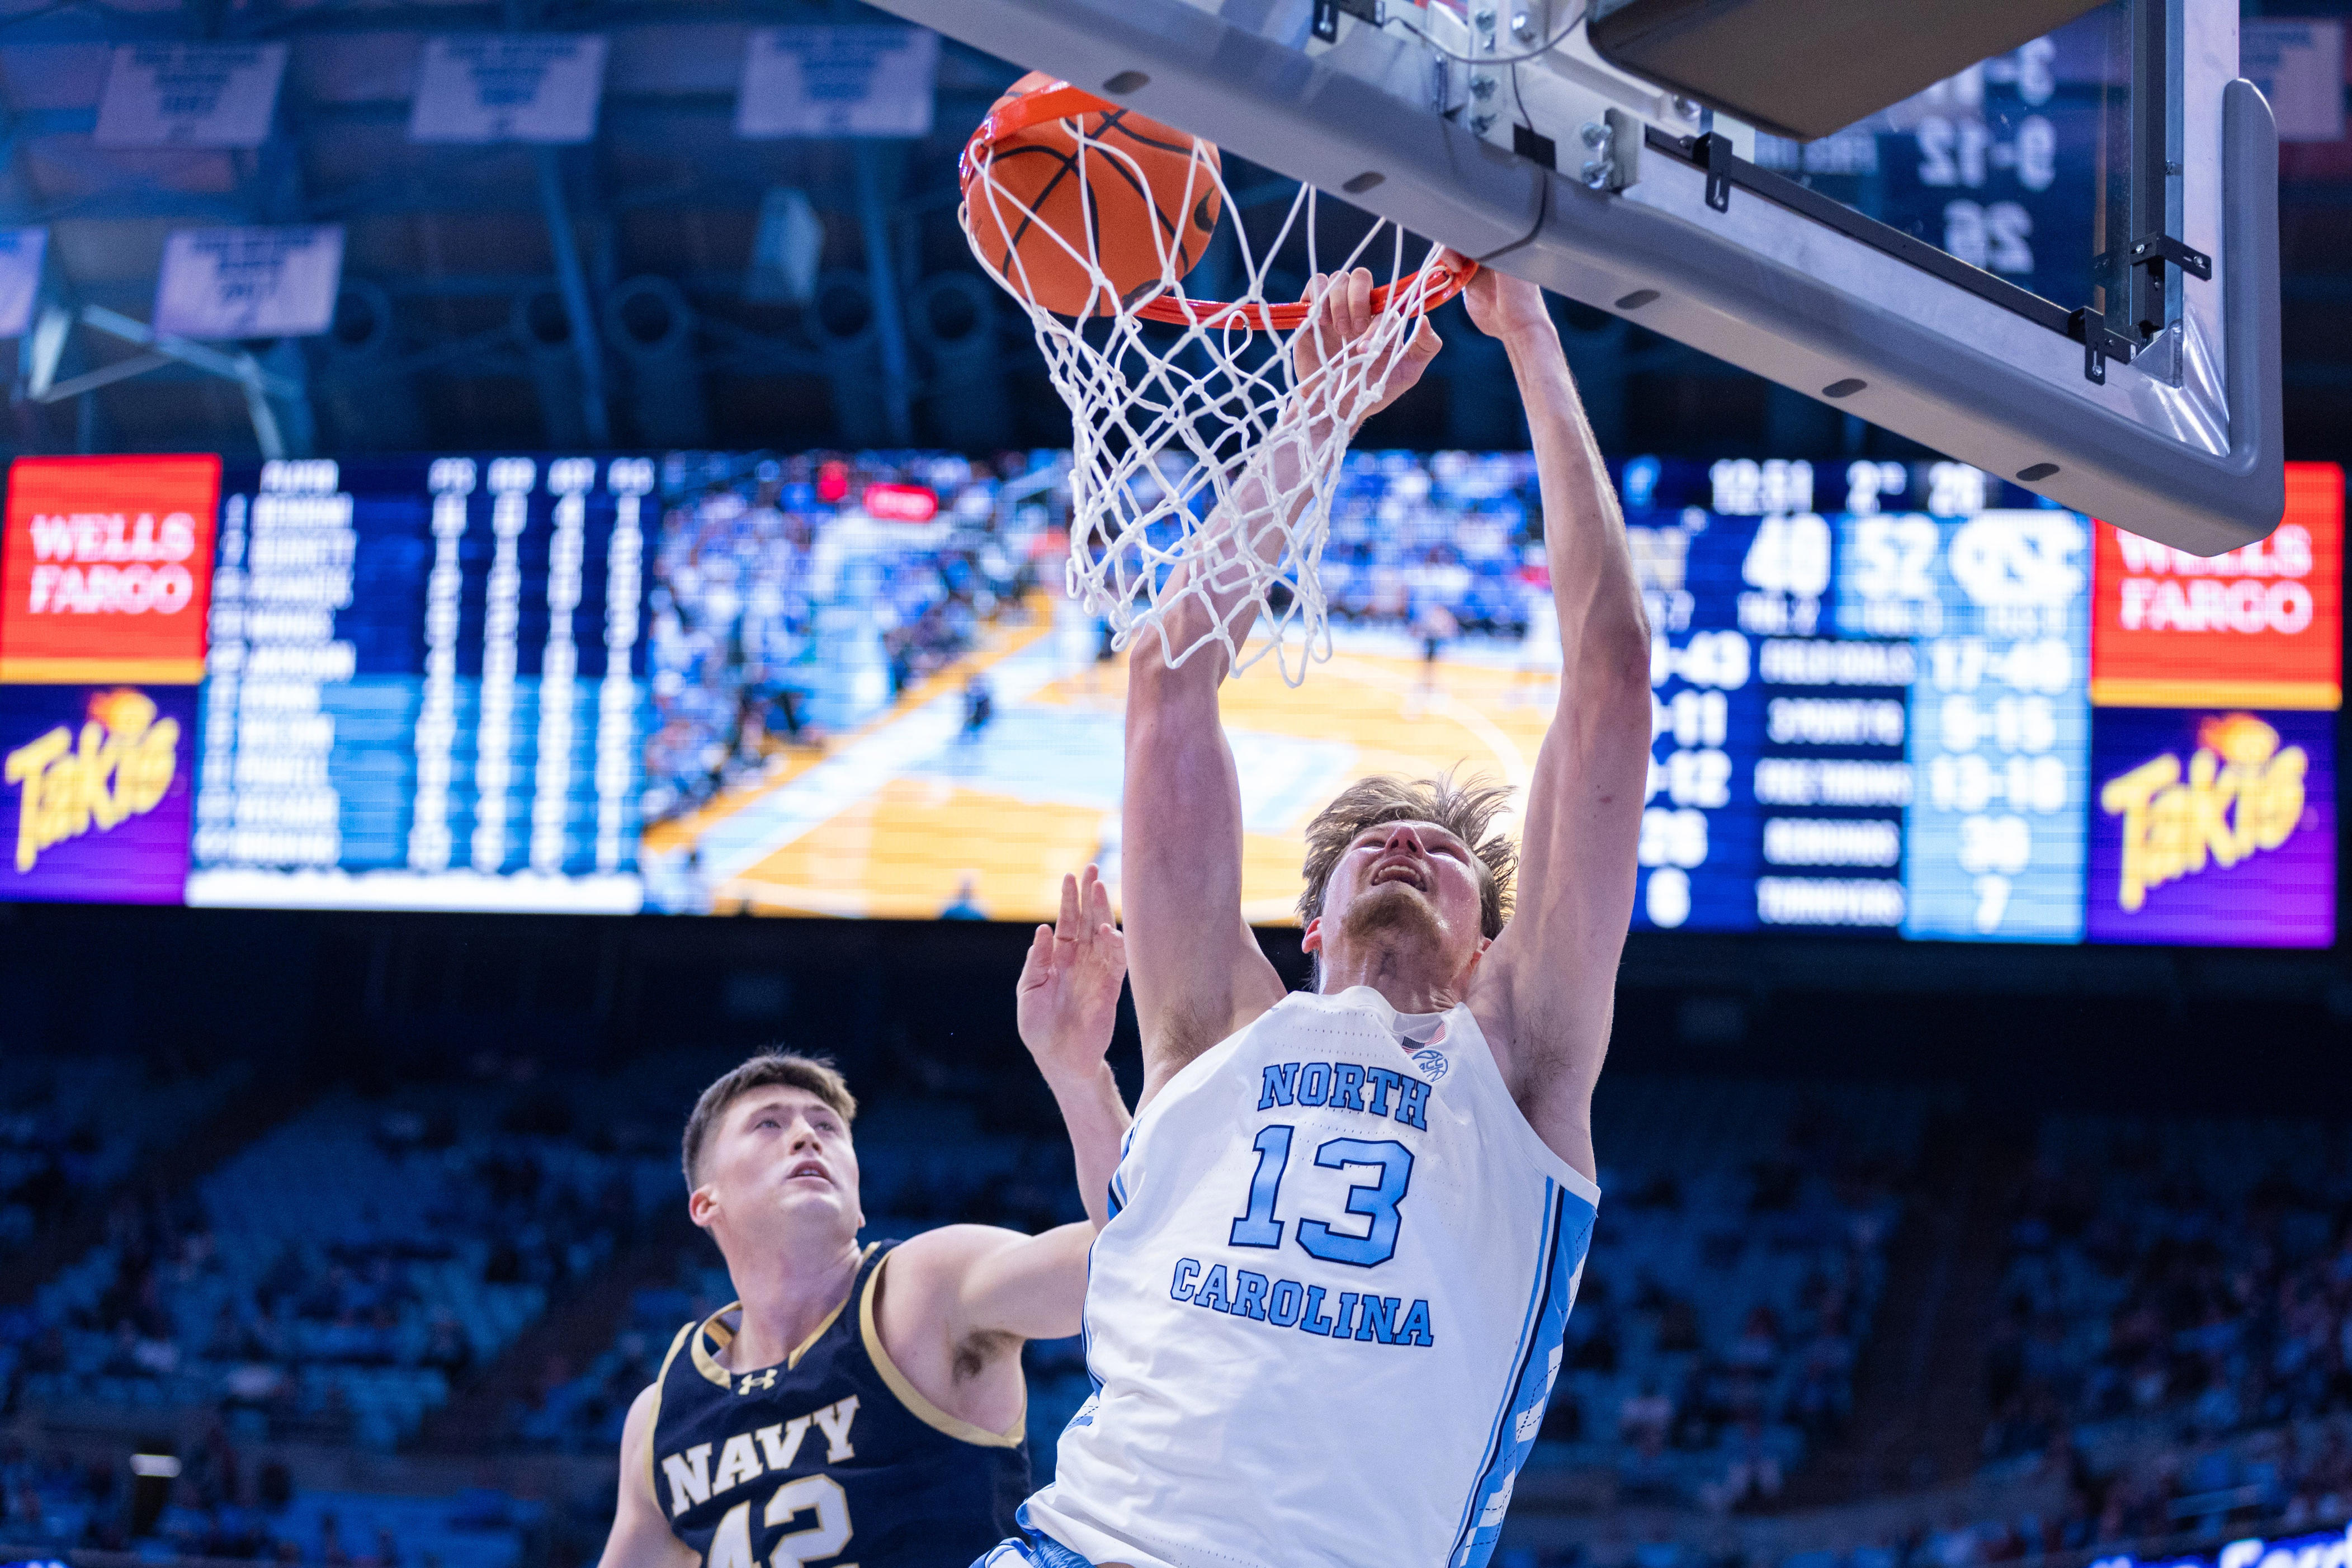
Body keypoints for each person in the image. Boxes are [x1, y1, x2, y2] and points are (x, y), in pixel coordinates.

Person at [984, 261, 1651, 1568]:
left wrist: (1524, 334)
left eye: (1449, 853)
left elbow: (1610, 666)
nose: (1406, 840)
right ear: (1307, 930)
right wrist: (1321, 409)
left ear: (1487, 947)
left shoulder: (1520, 1059)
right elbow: (1167, 678)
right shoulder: (1205, 1025)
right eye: (1369, 844)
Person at [597, 867, 1131, 1568]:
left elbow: (1143, 1259)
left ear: (857, 1189)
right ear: (707, 1201)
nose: (805, 1135)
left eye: (826, 1125)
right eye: (768, 1124)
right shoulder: (662, 1416)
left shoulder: (927, 1287)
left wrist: (1078, 1073)